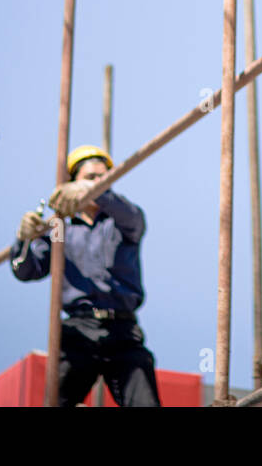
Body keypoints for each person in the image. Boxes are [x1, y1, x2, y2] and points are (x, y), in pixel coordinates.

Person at [10, 144, 161, 407]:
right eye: (90, 178)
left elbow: (132, 217)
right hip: (79, 331)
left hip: (123, 331)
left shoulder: (124, 221)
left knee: (144, 401)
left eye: (104, 177)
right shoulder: (61, 231)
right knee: (57, 401)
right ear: (71, 184)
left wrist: (94, 190)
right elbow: (26, 270)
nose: (99, 183)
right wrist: (23, 240)